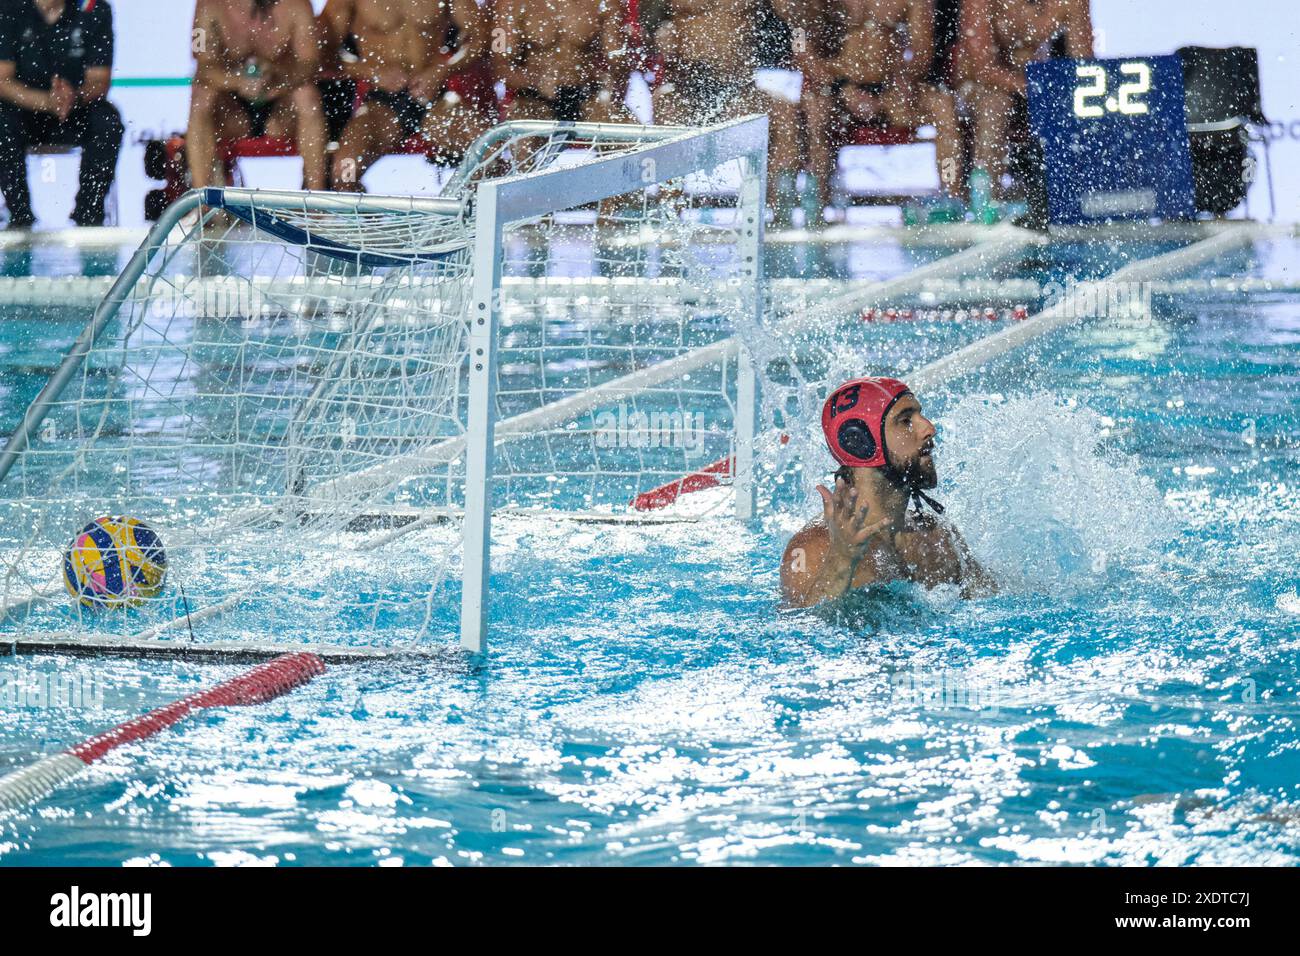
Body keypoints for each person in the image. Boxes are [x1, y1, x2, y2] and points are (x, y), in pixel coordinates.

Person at [780, 376, 995, 607]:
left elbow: (999, 599)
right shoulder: (811, 549)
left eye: (919, 415)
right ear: (861, 441)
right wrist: (842, 558)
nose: (929, 429)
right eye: (905, 420)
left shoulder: (936, 535)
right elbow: (800, 629)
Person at [794, 0, 962, 208]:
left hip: (893, 90)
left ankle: (952, 197)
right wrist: (841, 87)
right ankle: (817, 205)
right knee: (816, 108)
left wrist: (903, 83)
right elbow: (799, 41)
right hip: (840, 90)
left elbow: (923, 49)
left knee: (943, 106)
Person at [321, 0, 493, 191]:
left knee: (490, 153)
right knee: (344, 173)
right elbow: (319, 54)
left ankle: (465, 214)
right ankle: (372, 219)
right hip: (380, 105)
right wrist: (369, 71)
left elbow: (482, 38)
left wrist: (443, 70)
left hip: (436, 100)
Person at [651, 0, 800, 214]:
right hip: (689, 90)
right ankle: (668, 210)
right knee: (665, 102)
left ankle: (778, 209)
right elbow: (649, 17)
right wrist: (662, 33)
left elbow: (800, 21)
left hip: (740, 90)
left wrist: (801, 47)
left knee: (784, 113)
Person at [0, 0, 124, 229]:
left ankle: (89, 215)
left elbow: (99, 81)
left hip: (76, 109)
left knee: (108, 121)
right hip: (25, 111)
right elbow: (2, 80)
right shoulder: (9, 8)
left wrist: (73, 97)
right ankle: (20, 218)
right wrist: (47, 101)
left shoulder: (94, 8)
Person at [954, 0, 1093, 193]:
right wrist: (1035, 88)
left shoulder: (1070, 3)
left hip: (1032, 82)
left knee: (1078, 101)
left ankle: (1073, 195)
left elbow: (1084, 67)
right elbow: (983, 69)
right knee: (995, 105)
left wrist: (1060, 92)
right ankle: (986, 199)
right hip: (979, 86)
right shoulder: (980, 3)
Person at [187, 0, 328, 191]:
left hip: (281, 113)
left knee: (307, 96)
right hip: (233, 115)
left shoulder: (298, 5)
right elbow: (203, 65)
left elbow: (310, 63)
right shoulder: (208, 5)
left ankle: (316, 203)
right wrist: (238, 81)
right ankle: (201, 201)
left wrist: (276, 76)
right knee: (201, 96)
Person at [493, 0, 633, 125]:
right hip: (534, 98)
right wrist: (535, 81)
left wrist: (613, 72)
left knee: (632, 139)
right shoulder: (510, 4)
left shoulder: (603, 3)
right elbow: (499, 66)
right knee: (523, 140)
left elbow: (618, 60)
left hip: (587, 94)